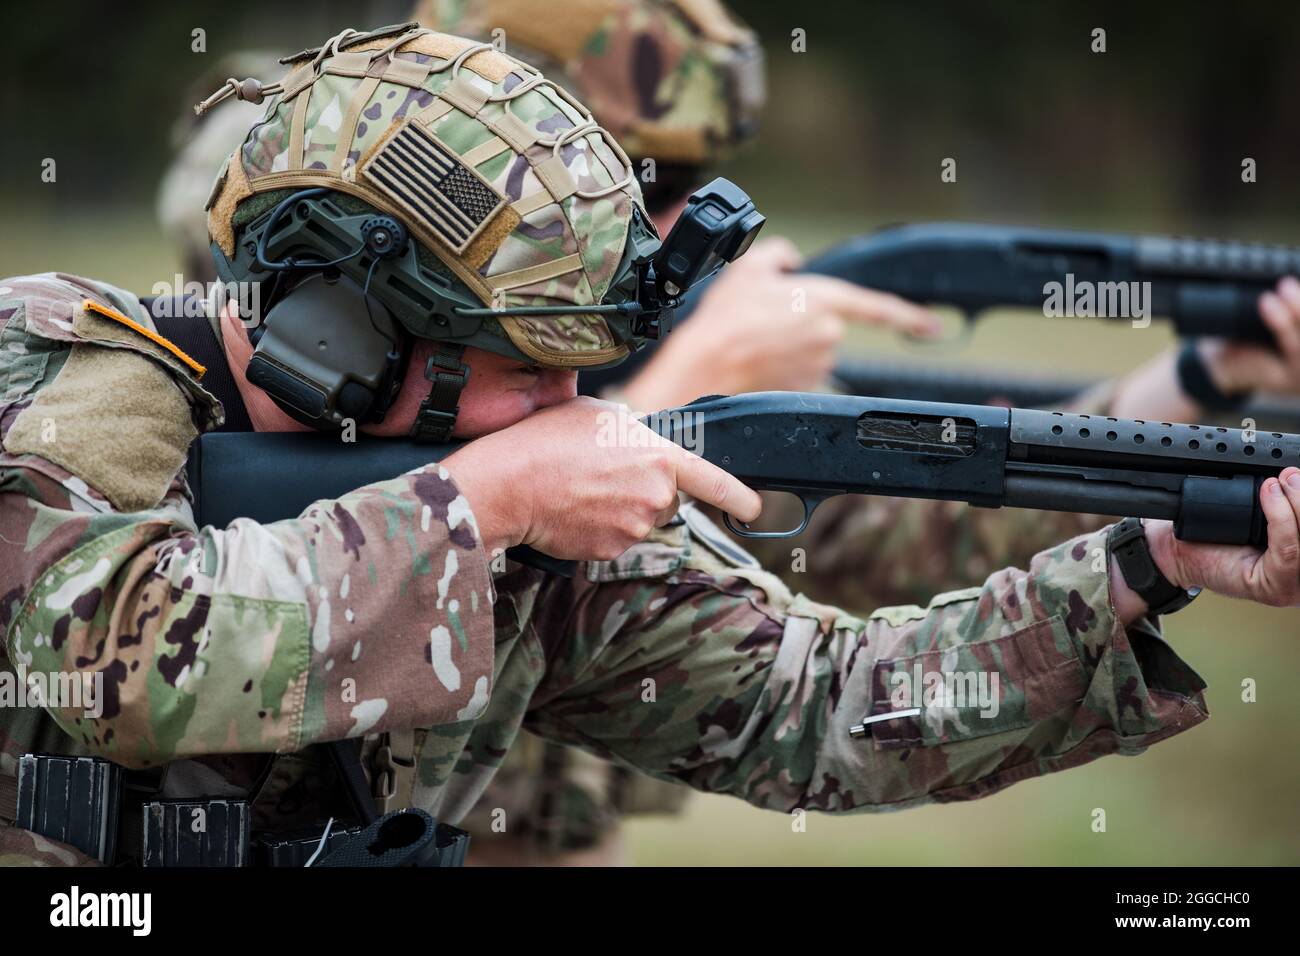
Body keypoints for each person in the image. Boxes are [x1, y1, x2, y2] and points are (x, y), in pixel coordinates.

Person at [3, 23, 1298, 869]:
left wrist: (1145, 561)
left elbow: (826, 704)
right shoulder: (59, 375)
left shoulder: (510, 508)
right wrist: (486, 493)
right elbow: (114, 665)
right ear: (338, 341)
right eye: (528, 376)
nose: (574, 414)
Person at [419, 0, 1300, 863]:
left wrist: (1183, 442)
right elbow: (423, 543)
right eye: (635, 184)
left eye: (687, 184)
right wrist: (690, 386)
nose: (667, 231)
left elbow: (853, 643)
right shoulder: (318, 493)